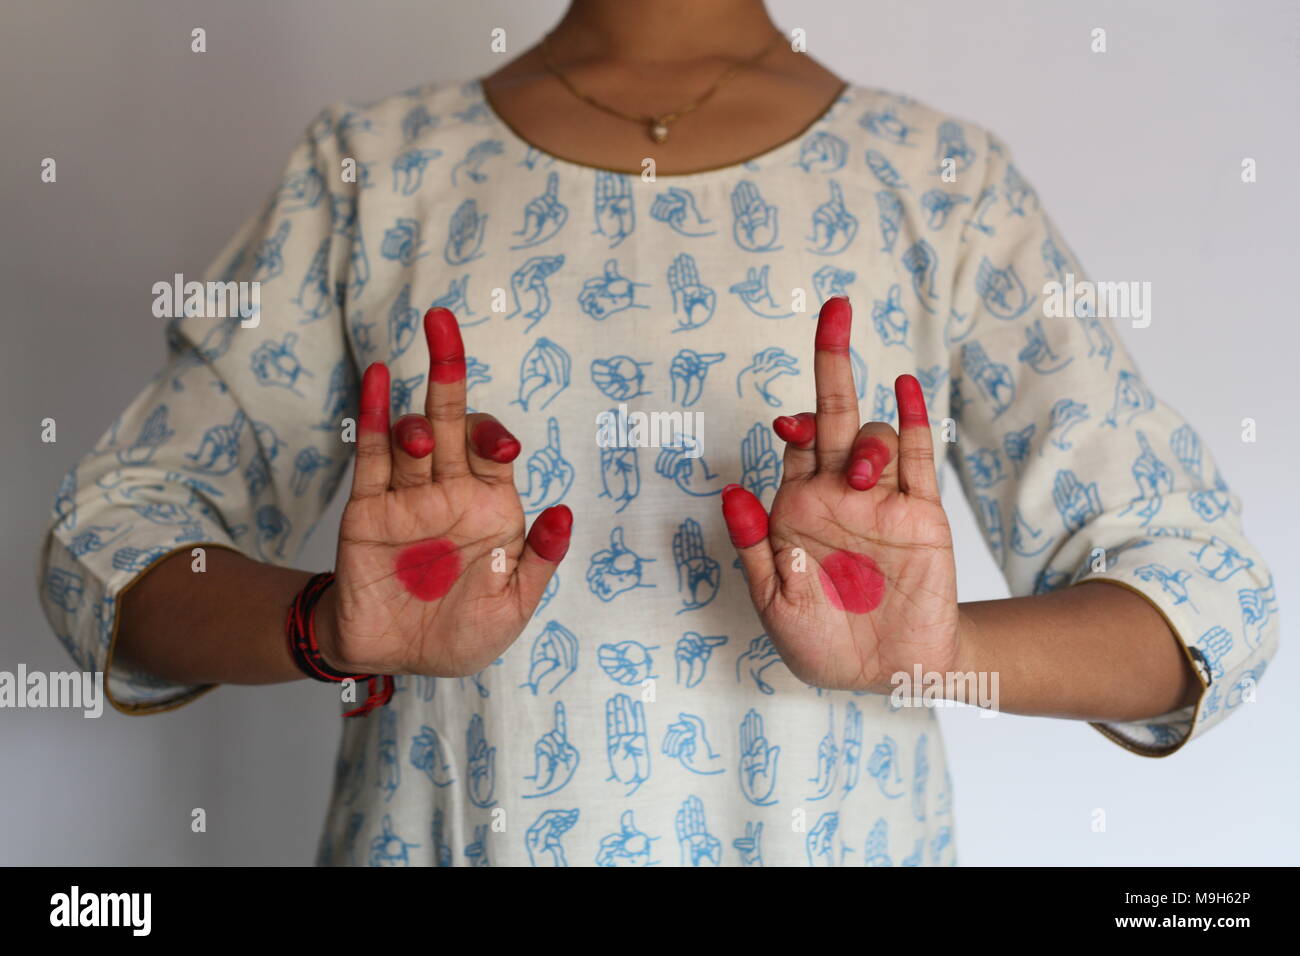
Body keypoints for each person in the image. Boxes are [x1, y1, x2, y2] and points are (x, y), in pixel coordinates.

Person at [38, 0, 1277, 867]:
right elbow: (111, 539)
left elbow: (1207, 598)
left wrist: (936, 648)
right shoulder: (373, 172)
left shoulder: (936, 182)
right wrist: (321, 623)